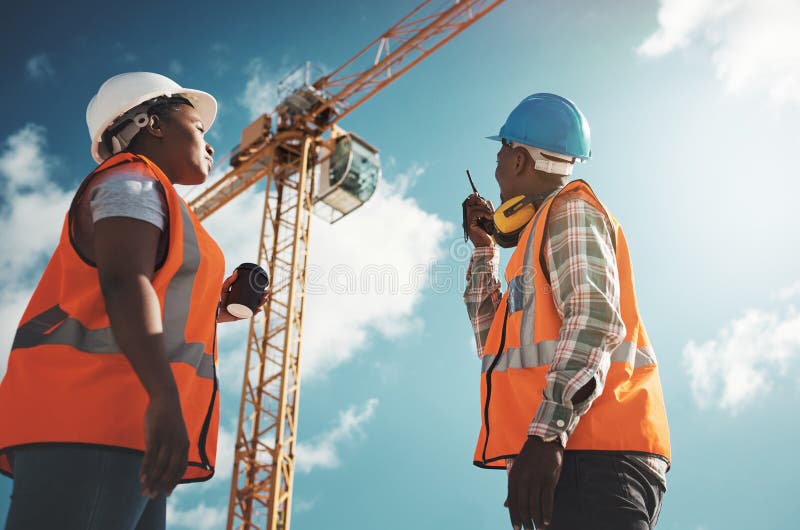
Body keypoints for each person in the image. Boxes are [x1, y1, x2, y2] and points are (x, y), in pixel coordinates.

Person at [0, 72, 266, 530]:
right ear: (153, 124)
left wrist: (214, 311)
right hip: (99, 417)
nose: (209, 146)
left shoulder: (156, 198)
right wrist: (162, 397)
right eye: (199, 129)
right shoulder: (134, 182)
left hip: (123, 425)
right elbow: (124, 284)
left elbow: (136, 291)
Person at [463, 93, 670, 529]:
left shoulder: (570, 211)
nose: (496, 165)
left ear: (519, 159)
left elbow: (594, 321)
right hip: (571, 456)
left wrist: (546, 433)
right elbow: (493, 344)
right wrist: (485, 251)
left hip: (590, 455)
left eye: (501, 150)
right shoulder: (533, 244)